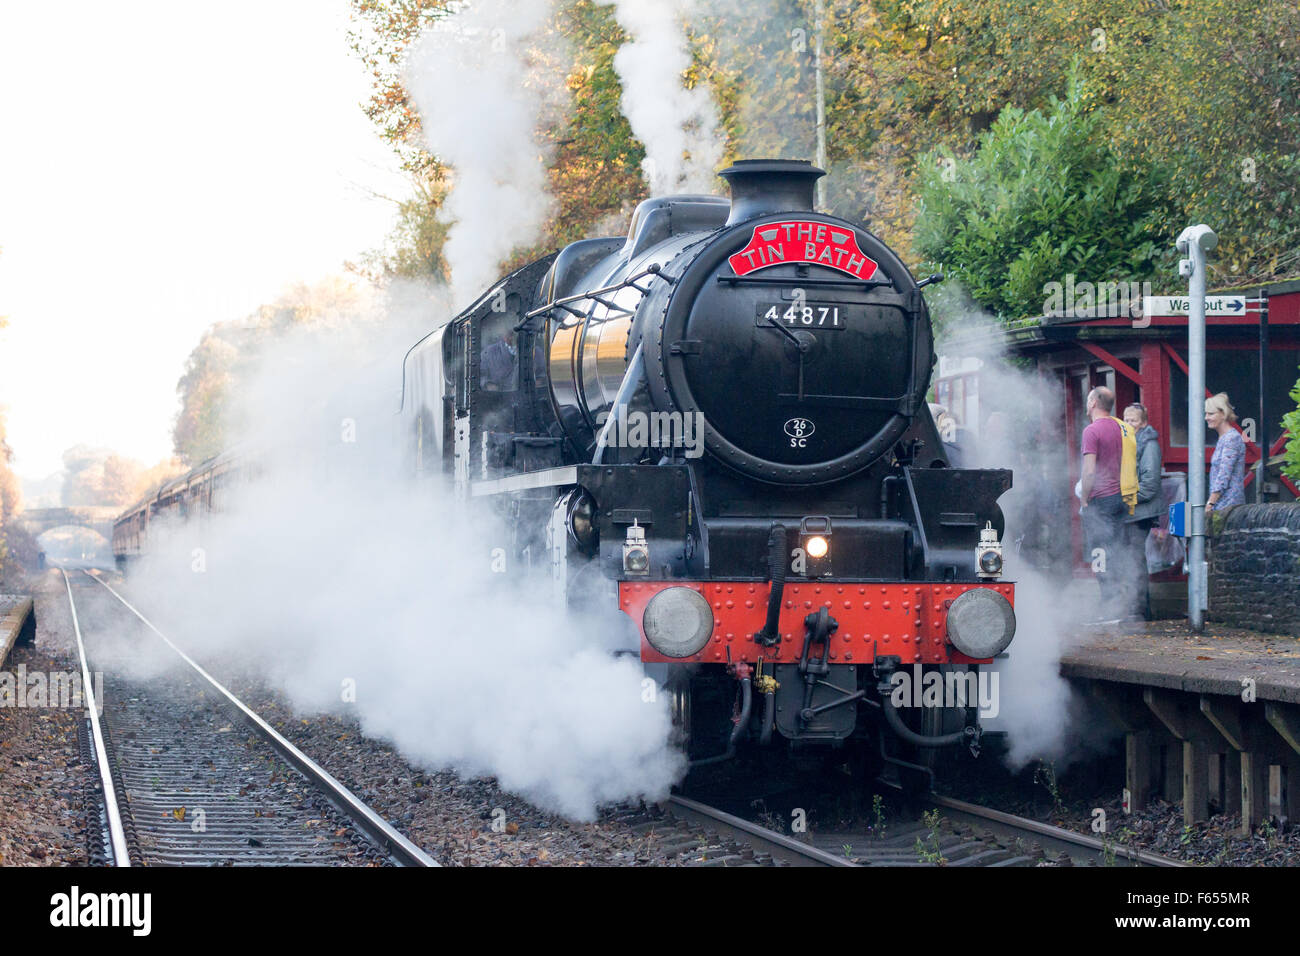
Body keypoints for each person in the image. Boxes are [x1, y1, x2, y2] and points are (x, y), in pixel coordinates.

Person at [1079, 386, 1130, 620]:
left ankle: (1109, 606)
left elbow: (1089, 472)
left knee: (1100, 553)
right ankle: (1123, 604)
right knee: (1117, 551)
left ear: (1092, 403)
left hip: (1101, 500)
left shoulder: (1091, 431)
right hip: (1122, 498)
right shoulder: (1124, 428)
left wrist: (1084, 497)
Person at [1123, 403, 1163, 619]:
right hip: (1131, 512)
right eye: (1126, 420)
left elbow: (1150, 483)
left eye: (1134, 421)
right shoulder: (1128, 442)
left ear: (1143, 423)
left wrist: (1124, 501)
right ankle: (1135, 607)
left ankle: (1141, 610)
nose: (1129, 424)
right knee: (1130, 558)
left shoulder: (1149, 445)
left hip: (1141, 512)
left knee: (1135, 559)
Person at [1205, 392, 1246, 513]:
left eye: (1211, 414)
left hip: (1229, 507)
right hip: (1222, 505)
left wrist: (1210, 503)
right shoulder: (1223, 438)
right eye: (1206, 413)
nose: (1206, 417)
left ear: (1223, 414)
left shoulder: (1231, 438)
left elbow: (1224, 475)